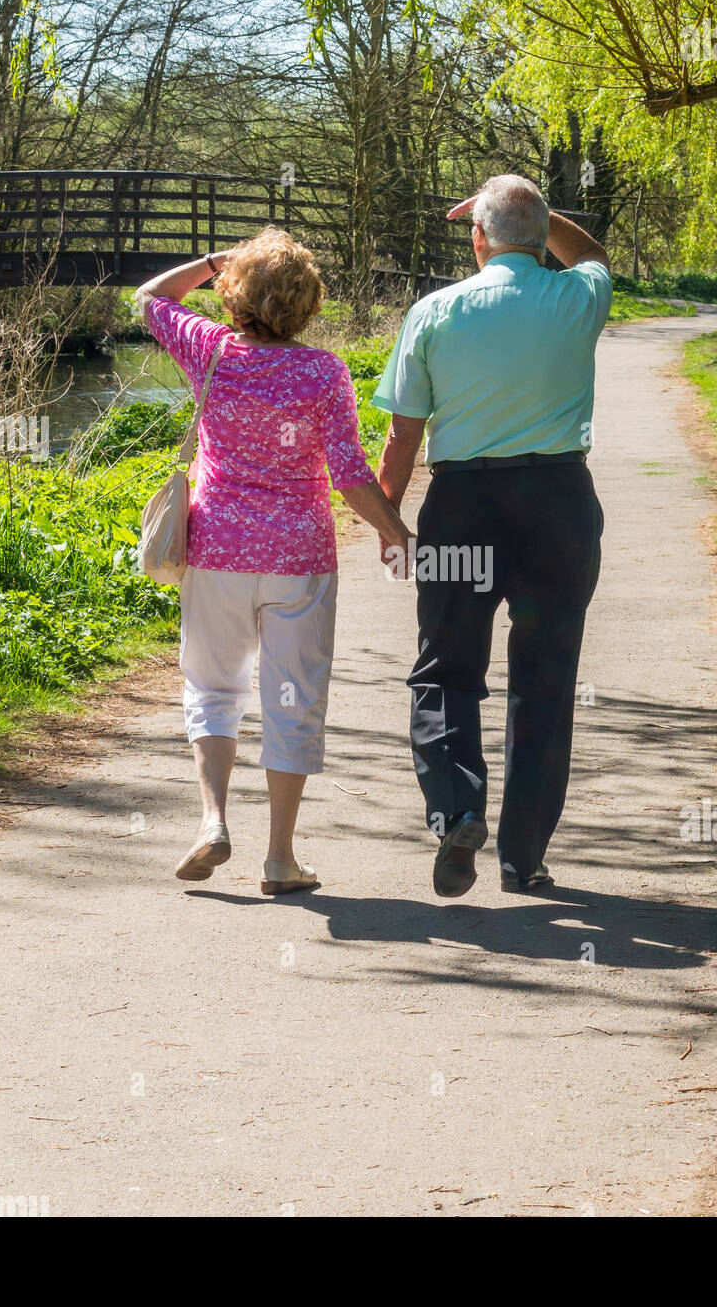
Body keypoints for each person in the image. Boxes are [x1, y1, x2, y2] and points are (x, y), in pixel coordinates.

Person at [135, 228, 412, 895]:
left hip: (219, 550)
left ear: (233, 296)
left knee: (212, 689)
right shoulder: (324, 373)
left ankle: (212, 822)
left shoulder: (210, 351)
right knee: (294, 698)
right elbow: (348, 475)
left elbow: (145, 298)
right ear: (310, 305)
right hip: (299, 557)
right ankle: (280, 858)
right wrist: (393, 530)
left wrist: (211, 264)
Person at [372, 174, 612, 898]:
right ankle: (523, 857)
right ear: (541, 242)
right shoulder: (578, 298)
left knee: (445, 669)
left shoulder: (433, 312)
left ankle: (457, 811)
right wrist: (536, 218)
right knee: (545, 680)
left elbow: (402, 436)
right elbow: (591, 252)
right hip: (558, 506)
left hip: (465, 505)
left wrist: (390, 521)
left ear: (476, 240)